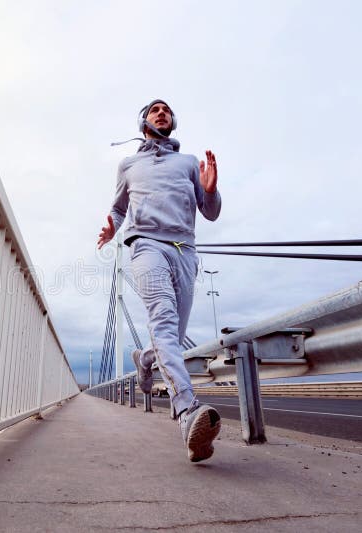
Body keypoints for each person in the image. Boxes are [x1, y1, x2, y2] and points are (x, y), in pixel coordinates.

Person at [96, 99, 222, 462]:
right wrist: (112, 226)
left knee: (173, 338)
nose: (161, 113)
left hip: (185, 249)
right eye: (154, 110)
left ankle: (146, 358)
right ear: (144, 122)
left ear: (173, 122)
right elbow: (119, 207)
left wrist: (210, 190)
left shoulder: (187, 163)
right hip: (146, 245)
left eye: (166, 110)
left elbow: (210, 213)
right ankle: (188, 412)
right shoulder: (129, 165)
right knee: (163, 320)